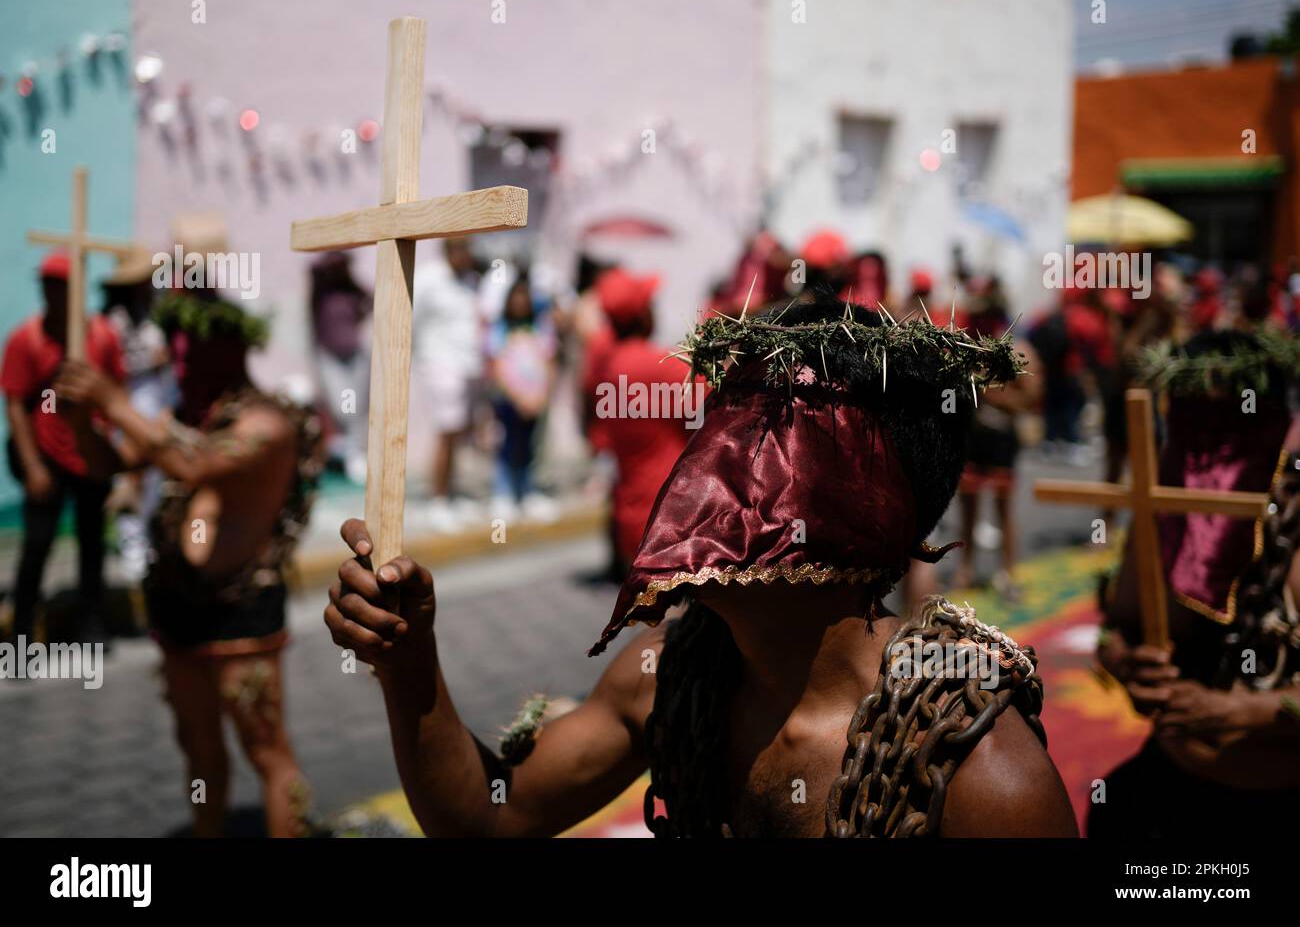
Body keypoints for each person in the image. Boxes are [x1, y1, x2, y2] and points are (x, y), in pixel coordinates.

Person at [324, 296, 1077, 837]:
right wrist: (407, 660)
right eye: (716, 430)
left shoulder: (983, 779)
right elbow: (492, 813)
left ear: (868, 511)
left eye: (763, 453)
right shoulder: (666, 678)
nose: (702, 486)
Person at [54, 292, 323, 837]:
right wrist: (84, 421)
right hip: (179, 608)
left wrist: (110, 396)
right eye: (176, 351)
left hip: (242, 611)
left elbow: (190, 461)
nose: (178, 364)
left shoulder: (267, 424)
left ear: (228, 350)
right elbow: (107, 462)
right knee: (199, 752)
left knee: (268, 752)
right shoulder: (179, 417)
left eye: (190, 352)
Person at [1089, 328, 1300, 837]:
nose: (1207, 454)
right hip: (1171, 784)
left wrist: (1241, 710)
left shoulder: (1293, 512)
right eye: (1191, 423)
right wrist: (1129, 666)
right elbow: (1111, 629)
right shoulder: (1163, 503)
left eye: (1228, 424)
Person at [2, 251, 125, 644]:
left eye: (60, 286)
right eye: (47, 285)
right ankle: (21, 633)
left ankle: (91, 625)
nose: (51, 294)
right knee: (37, 545)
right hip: (46, 455)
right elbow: (17, 404)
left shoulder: (101, 335)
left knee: (93, 542)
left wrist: (112, 449)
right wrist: (32, 464)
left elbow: (115, 392)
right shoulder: (27, 339)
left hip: (88, 455)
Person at [587, 269, 692, 576]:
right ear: (642, 315)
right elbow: (716, 390)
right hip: (666, 517)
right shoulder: (654, 364)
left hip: (633, 512)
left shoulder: (608, 360)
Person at [951, 276, 1041, 597]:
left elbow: (1031, 396)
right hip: (973, 437)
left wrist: (992, 396)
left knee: (1003, 507)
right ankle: (966, 567)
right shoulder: (964, 347)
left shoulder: (1017, 349)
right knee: (968, 505)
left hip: (1002, 438)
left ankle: (1007, 570)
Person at [101, 247, 176, 583]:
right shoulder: (114, 321)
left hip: (155, 396)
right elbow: (116, 365)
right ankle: (131, 538)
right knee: (133, 470)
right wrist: (153, 361)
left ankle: (145, 535)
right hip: (129, 397)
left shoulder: (152, 312)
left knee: (156, 470)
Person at [411, 238, 481, 530]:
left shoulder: (472, 281)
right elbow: (412, 318)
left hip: (466, 367)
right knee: (446, 431)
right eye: (460, 249)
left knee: (458, 435)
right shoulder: (428, 279)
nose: (465, 255)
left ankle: (450, 492)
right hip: (438, 364)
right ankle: (438, 500)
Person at [485, 270, 557, 520]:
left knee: (531, 446)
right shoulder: (500, 328)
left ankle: (528, 490)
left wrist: (542, 395)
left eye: (523, 296)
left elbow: (549, 361)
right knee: (508, 445)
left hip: (534, 400)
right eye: (515, 297)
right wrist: (517, 398)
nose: (520, 302)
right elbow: (497, 366)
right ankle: (504, 493)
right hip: (510, 401)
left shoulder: (540, 326)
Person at [308, 251, 371, 485]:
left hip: (355, 354)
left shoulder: (353, 290)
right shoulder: (320, 292)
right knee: (340, 406)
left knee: (358, 408)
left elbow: (373, 300)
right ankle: (343, 450)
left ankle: (355, 455)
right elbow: (313, 268)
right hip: (329, 355)